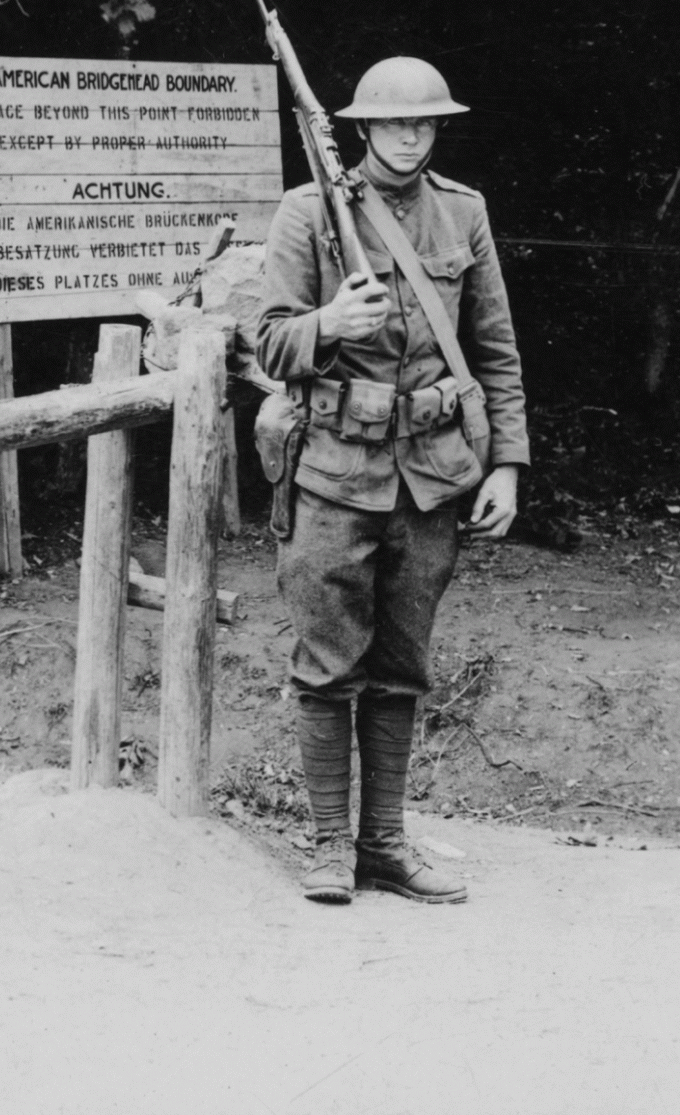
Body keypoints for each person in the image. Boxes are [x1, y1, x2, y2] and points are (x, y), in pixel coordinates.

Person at [255, 56, 528, 906]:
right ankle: (329, 844)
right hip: (333, 472)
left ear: (436, 128)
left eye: (423, 123)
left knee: (401, 666)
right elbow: (266, 342)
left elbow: (495, 352)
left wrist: (508, 465)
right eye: (391, 123)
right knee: (326, 663)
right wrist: (329, 324)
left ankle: (382, 844)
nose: (408, 136)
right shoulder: (307, 211)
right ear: (361, 128)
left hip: (433, 478)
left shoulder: (462, 212)